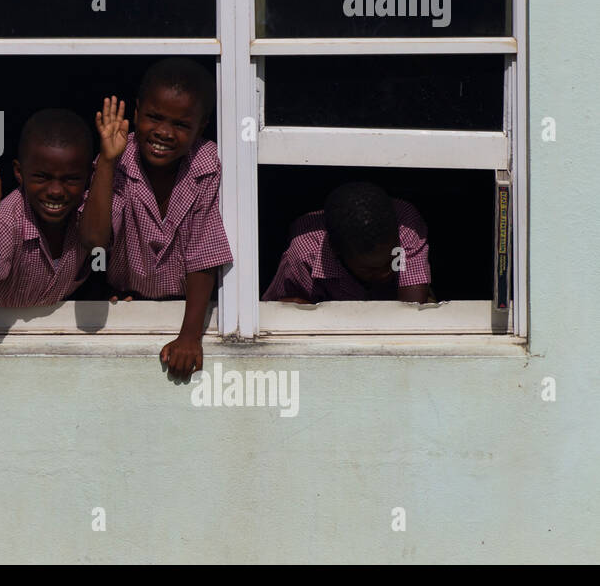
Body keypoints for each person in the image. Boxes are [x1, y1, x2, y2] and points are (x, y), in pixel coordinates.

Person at [79, 59, 232, 378]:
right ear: (136, 114)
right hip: (127, 304)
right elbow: (94, 240)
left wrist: (191, 335)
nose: (163, 132)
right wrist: (106, 161)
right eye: (154, 117)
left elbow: (203, 254)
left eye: (181, 124)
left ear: (201, 126)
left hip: (186, 305)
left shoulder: (206, 163)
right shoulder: (119, 160)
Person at [0, 109, 95, 309]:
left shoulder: (88, 214)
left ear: (88, 177)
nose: (55, 191)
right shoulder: (8, 223)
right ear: (19, 172)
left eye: (70, 179)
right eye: (42, 177)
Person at [263, 181, 434, 303]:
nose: (386, 273)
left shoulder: (406, 226)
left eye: (393, 259)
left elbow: (412, 311)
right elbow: (279, 309)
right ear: (336, 251)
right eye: (371, 270)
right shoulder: (304, 254)